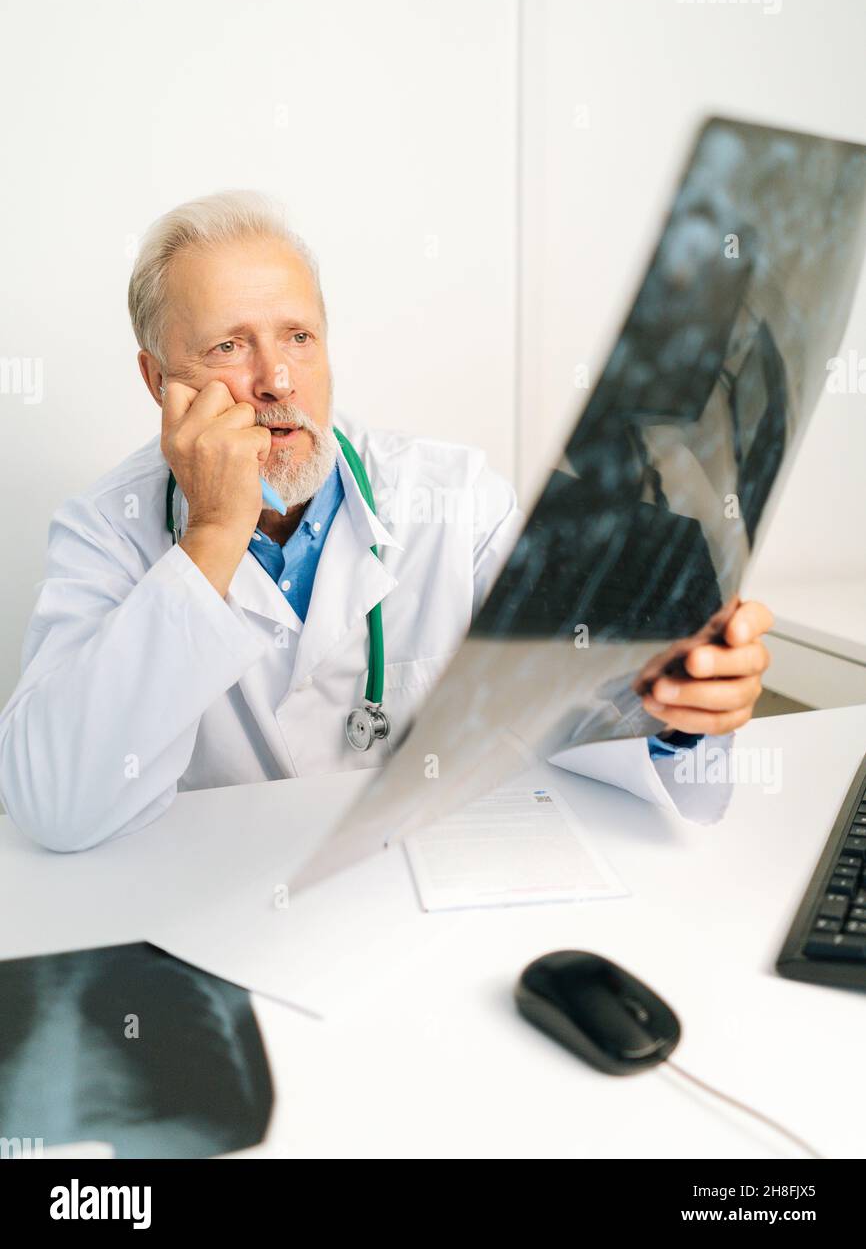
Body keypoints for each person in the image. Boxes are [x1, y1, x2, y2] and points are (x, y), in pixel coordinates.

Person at [0, 191, 772, 852]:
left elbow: (569, 709)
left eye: (298, 337)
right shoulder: (108, 528)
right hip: (207, 934)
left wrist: (679, 710)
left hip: (409, 912)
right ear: (157, 379)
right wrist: (208, 539)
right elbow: (54, 803)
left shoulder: (453, 498)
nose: (276, 379)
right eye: (230, 346)